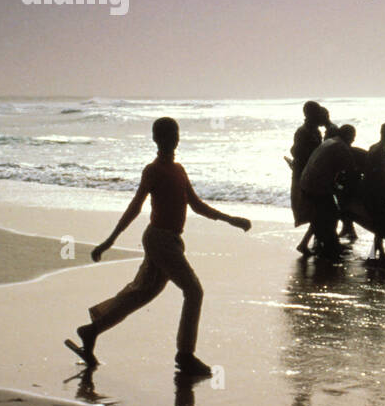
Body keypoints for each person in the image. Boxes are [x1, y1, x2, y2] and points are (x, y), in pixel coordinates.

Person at [67, 117, 251, 375]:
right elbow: (134, 207)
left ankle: (91, 331)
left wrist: (230, 219)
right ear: (156, 139)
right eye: (166, 135)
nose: (172, 140)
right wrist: (109, 241)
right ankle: (185, 355)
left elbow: (196, 205)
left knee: (141, 293)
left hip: (171, 242)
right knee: (194, 291)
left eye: (175, 134)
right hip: (159, 240)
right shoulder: (152, 171)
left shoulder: (179, 170)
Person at [299, 123, 356, 260]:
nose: (353, 140)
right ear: (348, 136)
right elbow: (351, 173)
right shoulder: (342, 147)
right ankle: (331, 247)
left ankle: (305, 244)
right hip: (316, 186)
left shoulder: (330, 141)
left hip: (306, 182)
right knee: (332, 215)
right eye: (353, 137)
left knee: (320, 216)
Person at [288, 102, 334, 255]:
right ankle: (307, 243)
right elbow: (300, 153)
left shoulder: (313, 131)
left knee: (318, 212)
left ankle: (310, 242)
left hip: (309, 175)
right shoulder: (304, 132)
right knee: (318, 211)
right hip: (306, 177)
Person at [364, 122, 385, 262]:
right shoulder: (382, 151)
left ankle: (375, 252)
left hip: (370, 189)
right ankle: (378, 252)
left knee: (378, 223)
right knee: (380, 223)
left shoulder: (373, 147)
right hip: (378, 191)